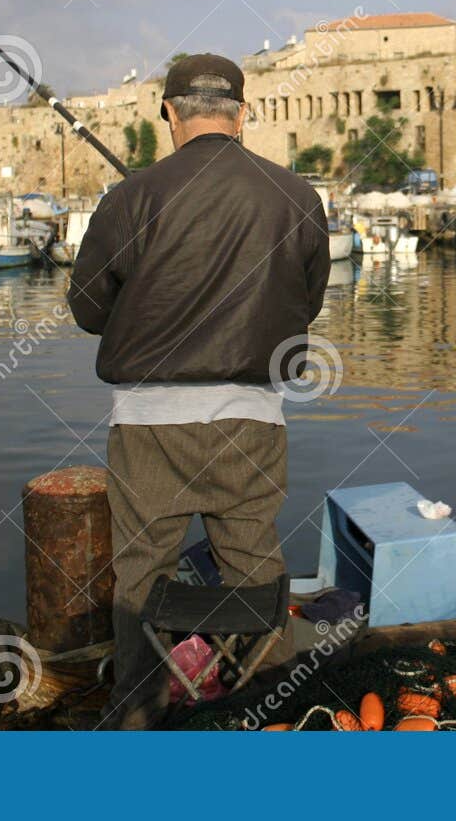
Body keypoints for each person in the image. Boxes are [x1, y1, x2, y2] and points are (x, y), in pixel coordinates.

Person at [67, 54, 331, 729]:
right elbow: (306, 302)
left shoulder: (130, 199)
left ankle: (139, 717)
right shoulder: (298, 197)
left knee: (142, 578)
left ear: (168, 114)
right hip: (250, 418)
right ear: (242, 115)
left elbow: (90, 309)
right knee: (252, 566)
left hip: (147, 423)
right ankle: (265, 709)